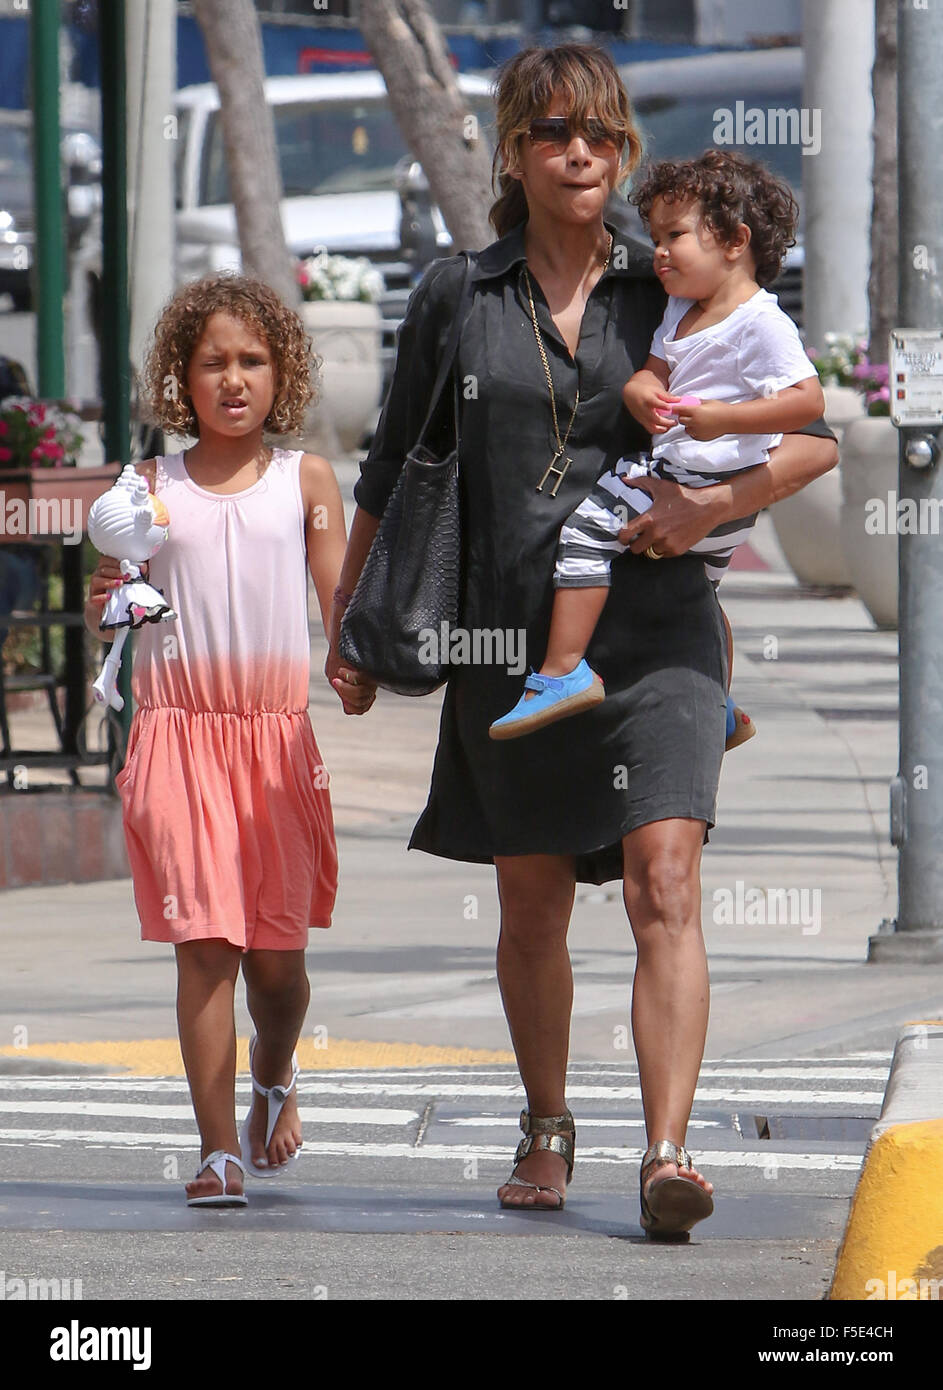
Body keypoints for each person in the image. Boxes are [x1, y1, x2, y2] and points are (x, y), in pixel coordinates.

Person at [330, 44, 837, 1238]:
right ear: (513, 146)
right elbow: (390, 463)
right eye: (557, 131)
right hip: (509, 636)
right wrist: (348, 623)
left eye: (604, 136)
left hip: (659, 633)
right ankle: (548, 1119)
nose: (582, 154)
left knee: (667, 874)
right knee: (532, 905)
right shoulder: (459, 291)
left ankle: (666, 1151)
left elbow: (812, 436)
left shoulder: (669, 281)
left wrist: (709, 507)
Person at [85, 275, 346, 1207]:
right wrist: (107, 601)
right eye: (212, 364)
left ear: (281, 372)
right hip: (176, 735)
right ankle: (213, 1149)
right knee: (205, 946)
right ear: (180, 380)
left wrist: (354, 665)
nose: (234, 380)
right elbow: (111, 604)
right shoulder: (146, 489)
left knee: (277, 965)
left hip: (275, 745)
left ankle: (275, 1073)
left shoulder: (304, 480)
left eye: (252, 361)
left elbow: (335, 604)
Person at [489, 150, 825, 743]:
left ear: (735, 241)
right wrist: (642, 391)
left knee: (585, 535)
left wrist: (727, 418)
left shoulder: (761, 323)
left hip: (698, 481)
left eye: (675, 236)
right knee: (703, 593)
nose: (660, 252)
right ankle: (719, 703)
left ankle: (561, 671)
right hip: (695, 478)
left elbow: (807, 404)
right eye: (654, 237)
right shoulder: (680, 310)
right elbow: (651, 372)